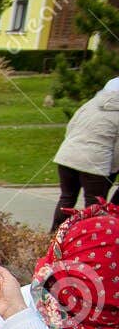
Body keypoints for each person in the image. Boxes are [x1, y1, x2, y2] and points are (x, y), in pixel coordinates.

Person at [50, 85, 119, 230]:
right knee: (94, 206)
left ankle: (54, 236)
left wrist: (71, 145)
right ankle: (90, 239)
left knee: (67, 197)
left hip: (67, 156)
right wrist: (111, 172)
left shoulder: (91, 104)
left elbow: (71, 126)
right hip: (95, 163)